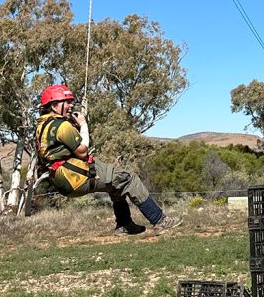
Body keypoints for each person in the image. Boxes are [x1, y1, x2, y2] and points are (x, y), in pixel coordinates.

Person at [35, 84, 182, 235]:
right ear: (54, 105)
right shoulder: (62, 126)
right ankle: (160, 221)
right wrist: (83, 125)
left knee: (115, 184)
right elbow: (82, 151)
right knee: (128, 178)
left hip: (60, 180)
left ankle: (125, 225)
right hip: (75, 177)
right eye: (67, 102)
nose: (71, 105)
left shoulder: (42, 126)